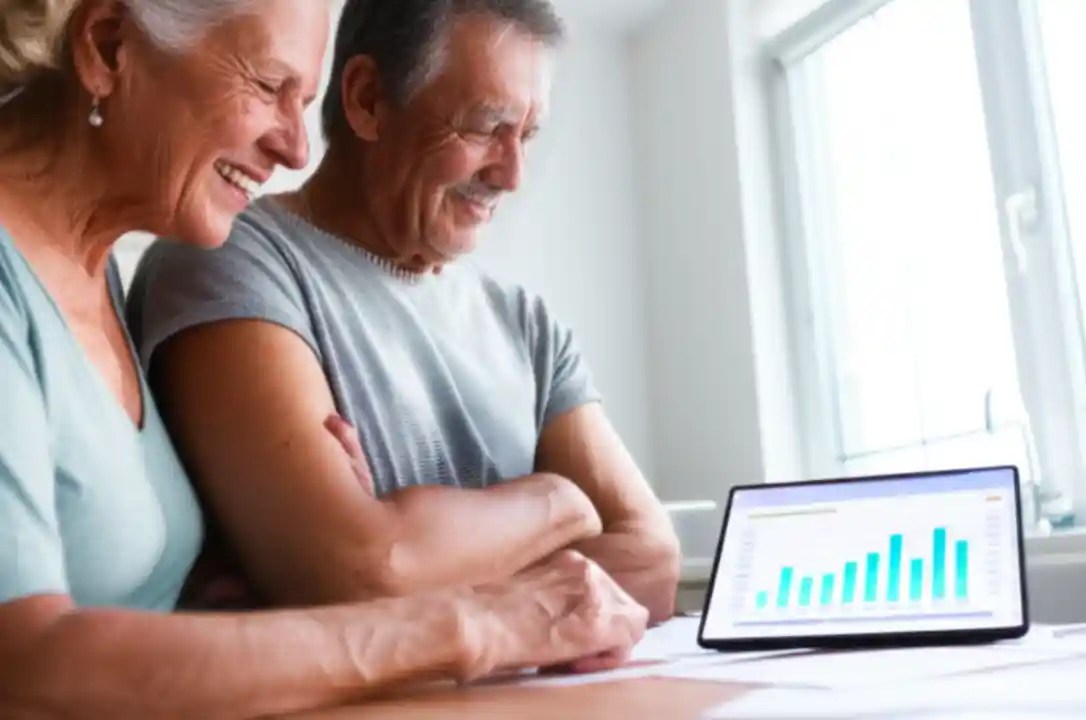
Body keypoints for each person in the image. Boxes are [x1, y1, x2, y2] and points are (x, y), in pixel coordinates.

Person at [0, 1, 647, 716]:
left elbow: (113, 588)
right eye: (269, 85)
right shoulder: (133, 268)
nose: (295, 148)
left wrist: (255, 601)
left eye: (302, 101)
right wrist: (491, 601)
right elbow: (26, 666)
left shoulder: (95, 278)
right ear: (110, 46)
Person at [128, 0, 682, 620]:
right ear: (367, 99)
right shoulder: (227, 259)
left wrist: (419, 548)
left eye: (525, 136)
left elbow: (653, 565)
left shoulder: (529, 326)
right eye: (484, 127)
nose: (512, 174)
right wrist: (557, 504)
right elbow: (352, 571)